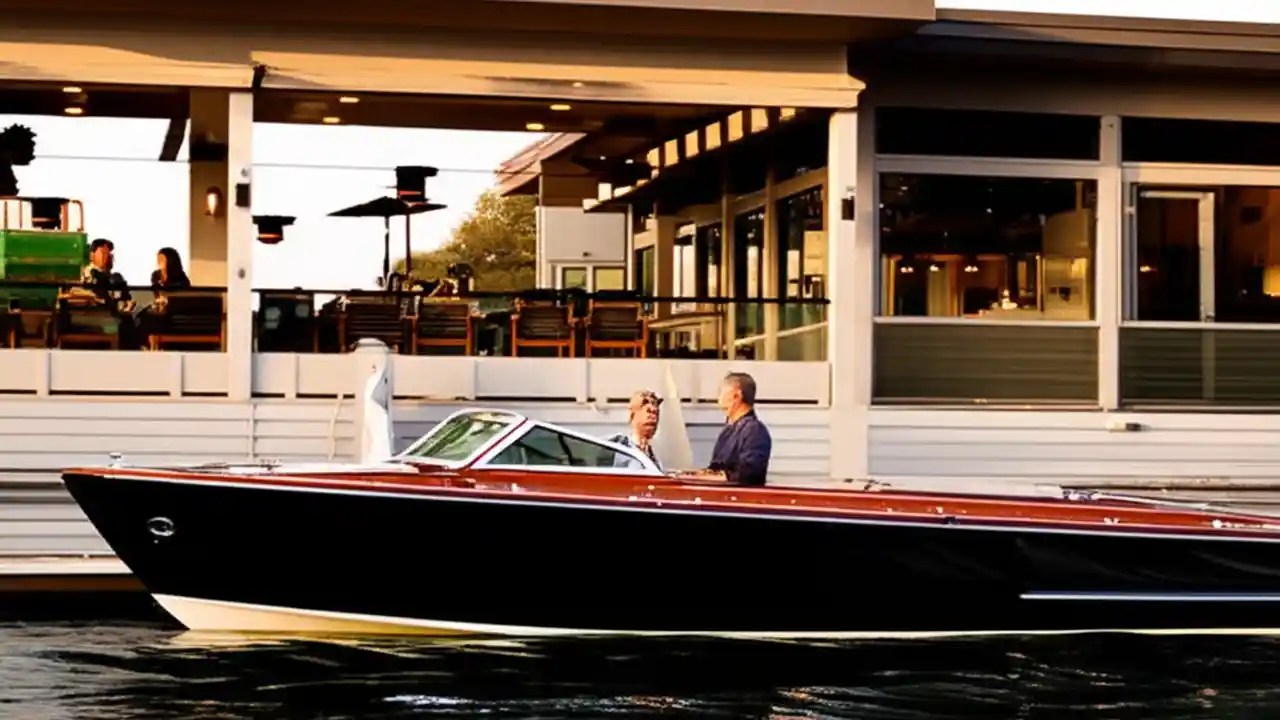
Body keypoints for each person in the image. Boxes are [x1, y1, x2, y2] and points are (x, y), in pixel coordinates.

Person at [703, 372, 772, 486]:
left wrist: (711, 477)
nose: (718, 398)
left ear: (737, 396)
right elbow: (715, 468)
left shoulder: (754, 431)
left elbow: (749, 475)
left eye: (721, 392)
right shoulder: (728, 431)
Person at [605, 390, 662, 470]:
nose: (653, 418)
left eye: (656, 413)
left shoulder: (653, 455)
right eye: (648, 411)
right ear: (632, 416)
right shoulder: (619, 446)